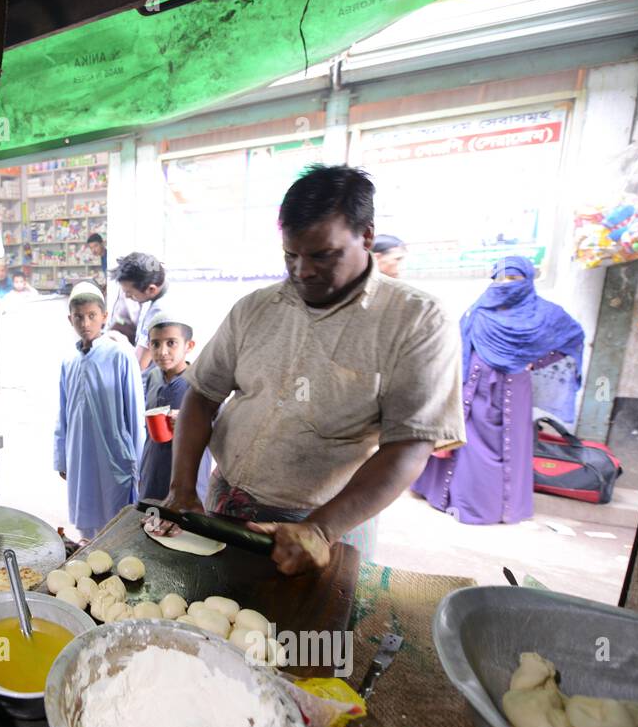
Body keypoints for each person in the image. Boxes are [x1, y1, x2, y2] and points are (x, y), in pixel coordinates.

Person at [162, 165, 464, 574]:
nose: (302, 270)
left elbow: (410, 445)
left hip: (326, 521)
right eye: (291, 254)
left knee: (309, 634)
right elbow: (202, 394)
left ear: (367, 236)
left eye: (323, 255)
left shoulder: (417, 321)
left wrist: (320, 530)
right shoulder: (255, 308)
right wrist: (182, 488)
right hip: (227, 501)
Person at [412, 256, 584, 525]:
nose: (504, 285)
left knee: (506, 443)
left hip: (513, 389)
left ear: (527, 280)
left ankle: (491, 507)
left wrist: (535, 362)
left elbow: (573, 337)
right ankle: (456, 500)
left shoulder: (544, 314)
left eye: (513, 279)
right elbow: (456, 346)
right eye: (499, 279)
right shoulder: (479, 310)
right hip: (474, 385)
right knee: (465, 442)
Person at [54, 281, 146, 540]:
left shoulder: (120, 355)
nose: (85, 323)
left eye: (92, 316)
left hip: (114, 454)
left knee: (117, 521)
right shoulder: (69, 361)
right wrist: (62, 457)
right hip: (80, 453)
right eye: (79, 317)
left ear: (104, 317)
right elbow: (63, 413)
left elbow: (135, 410)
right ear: (69, 319)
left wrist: (140, 462)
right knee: (86, 519)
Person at [137, 314, 210, 504]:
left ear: (189, 346)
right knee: (149, 520)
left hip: (188, 477)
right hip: (152, 470)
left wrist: (190, 423)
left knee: (183, 528)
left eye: (171, 343)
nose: (162, 351)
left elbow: (222, 429)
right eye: (155, 344)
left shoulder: (201, 384)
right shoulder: (152, 377)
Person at [113, 252, 169, 371]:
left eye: (130, 293)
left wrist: (122, 344)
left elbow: (138, 364)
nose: (127, 297)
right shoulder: (159, 286)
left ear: (151, 289)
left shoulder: (159, 311)